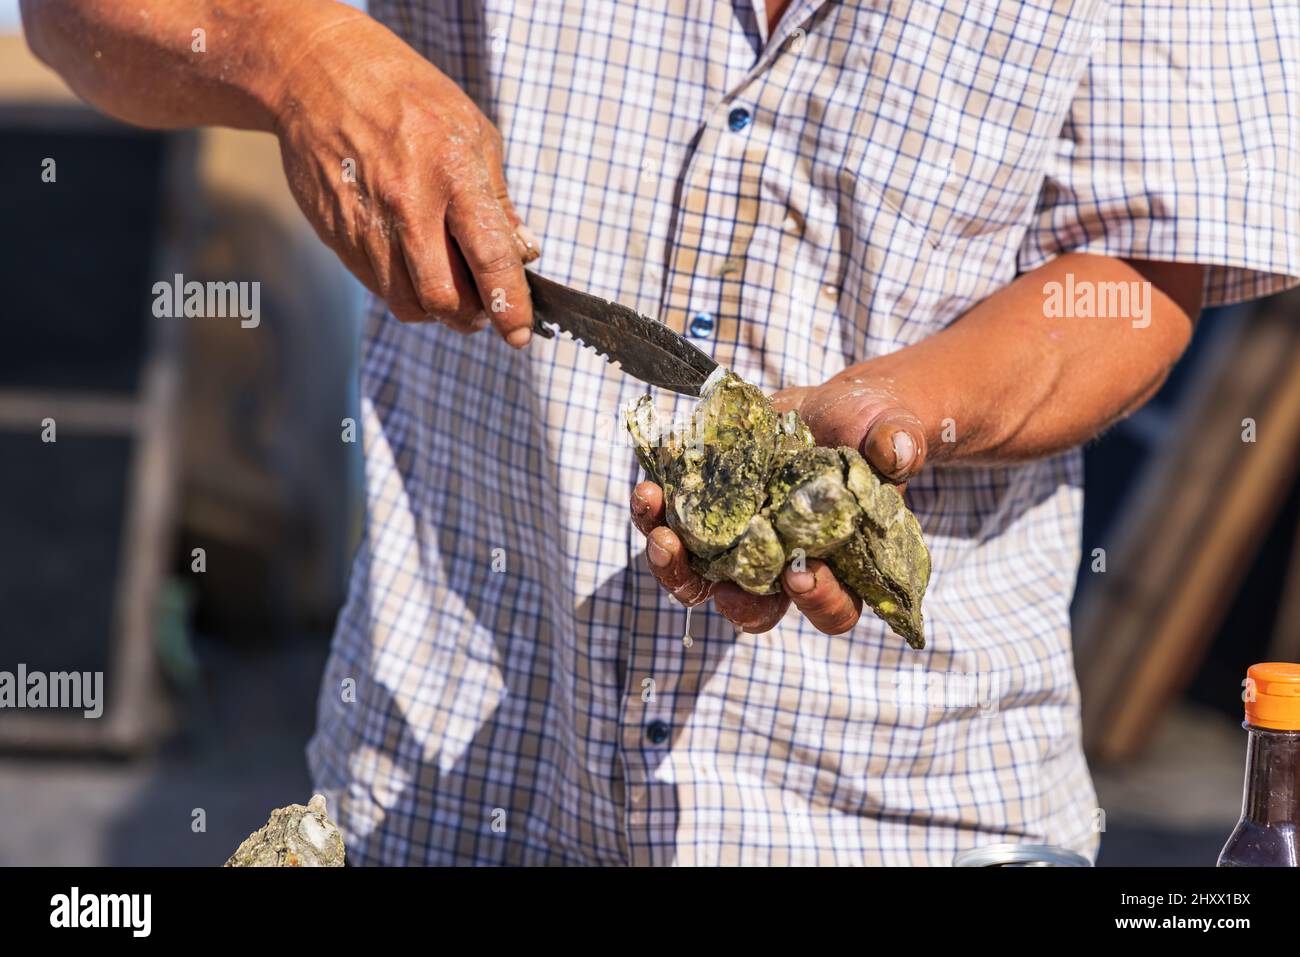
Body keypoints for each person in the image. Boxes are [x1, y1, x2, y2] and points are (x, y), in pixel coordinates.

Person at [25, 0, 1299, 865]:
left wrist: (895, 417)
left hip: (905, 813)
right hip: (443, 791)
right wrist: (292, 54)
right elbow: (75, 19)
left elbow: (1139, 265)